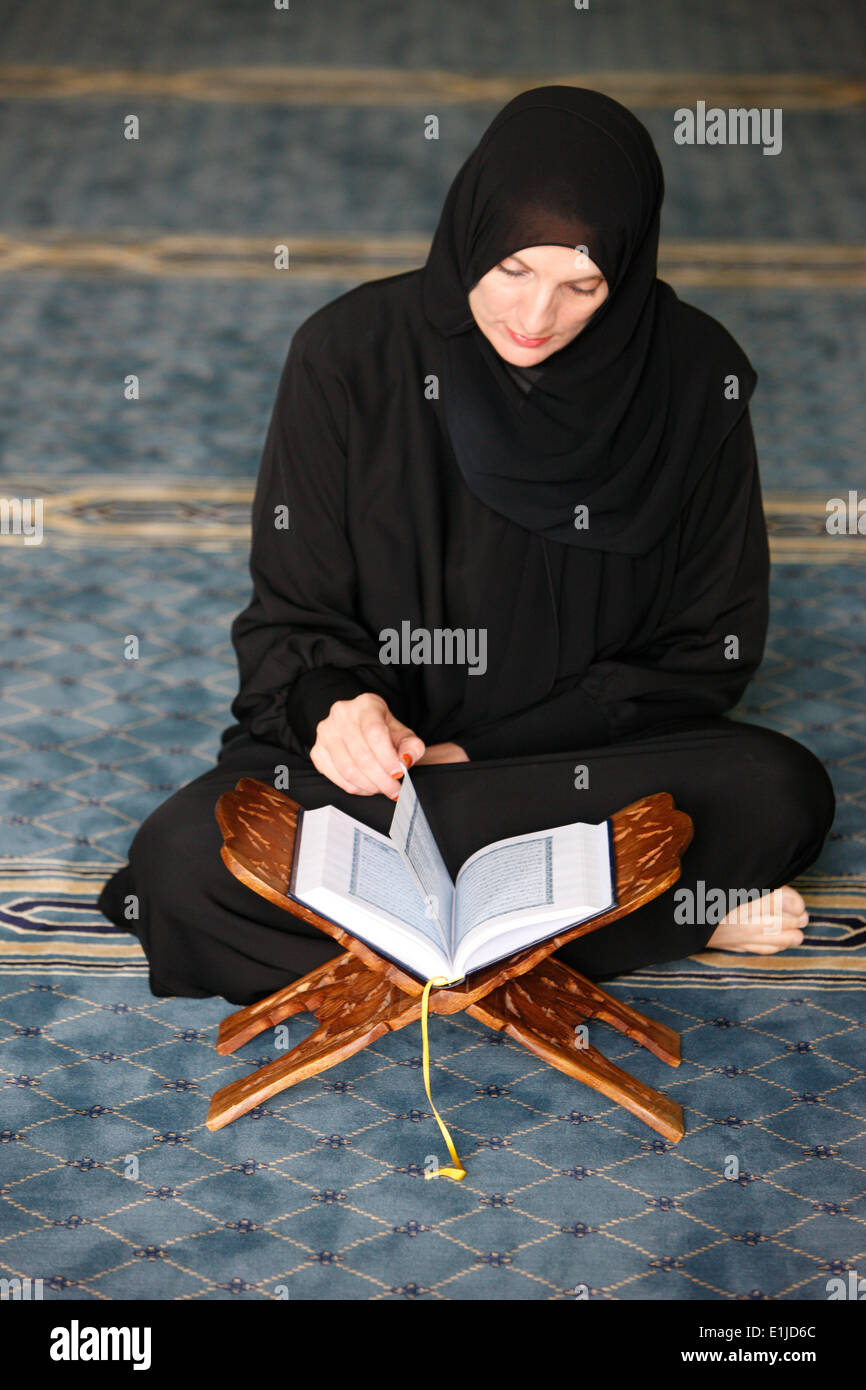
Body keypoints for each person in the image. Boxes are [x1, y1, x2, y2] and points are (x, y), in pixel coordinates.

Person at [97, 86, 835, 1006]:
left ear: (629, 272)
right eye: (513, 268)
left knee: (781, 787)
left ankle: (451, 933)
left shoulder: (695, 378)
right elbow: (291, 616)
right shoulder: (348, 355)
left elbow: (705, 651)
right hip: (383, 783)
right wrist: (341, 711)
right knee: (180, 862)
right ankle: (647, 920)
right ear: (470, 236)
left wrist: (475, 761)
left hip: (565, 771)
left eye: (583, 285)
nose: (536, 316)